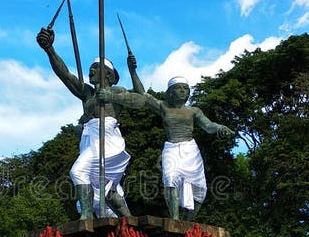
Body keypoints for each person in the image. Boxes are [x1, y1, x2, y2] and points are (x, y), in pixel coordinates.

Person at [36, 26, 143, 218]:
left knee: (78, 171)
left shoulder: (116, 91)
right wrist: (50, 50)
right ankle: (127, 220)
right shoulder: (87, 93)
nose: (91, 70)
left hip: (107, 138)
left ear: (109, 75)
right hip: (90, 140)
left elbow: (141, 100)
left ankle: (86, 216)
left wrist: (130, 74)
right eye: (91, 68)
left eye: (96, 68)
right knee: (106, 191)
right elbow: (65, 75)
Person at [100, 73, 233, 220]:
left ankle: (187, 221)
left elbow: (208, 126)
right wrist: (133, 71)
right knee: (170, 178)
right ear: (170, 92)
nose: (182, 91)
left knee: (199, 188)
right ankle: (175, 219)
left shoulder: (193, 111)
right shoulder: (164, 107)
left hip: (190, 150)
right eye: (178, 88)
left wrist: (220, 127)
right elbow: (143, 94)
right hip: (171, 148)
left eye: (185, 88)